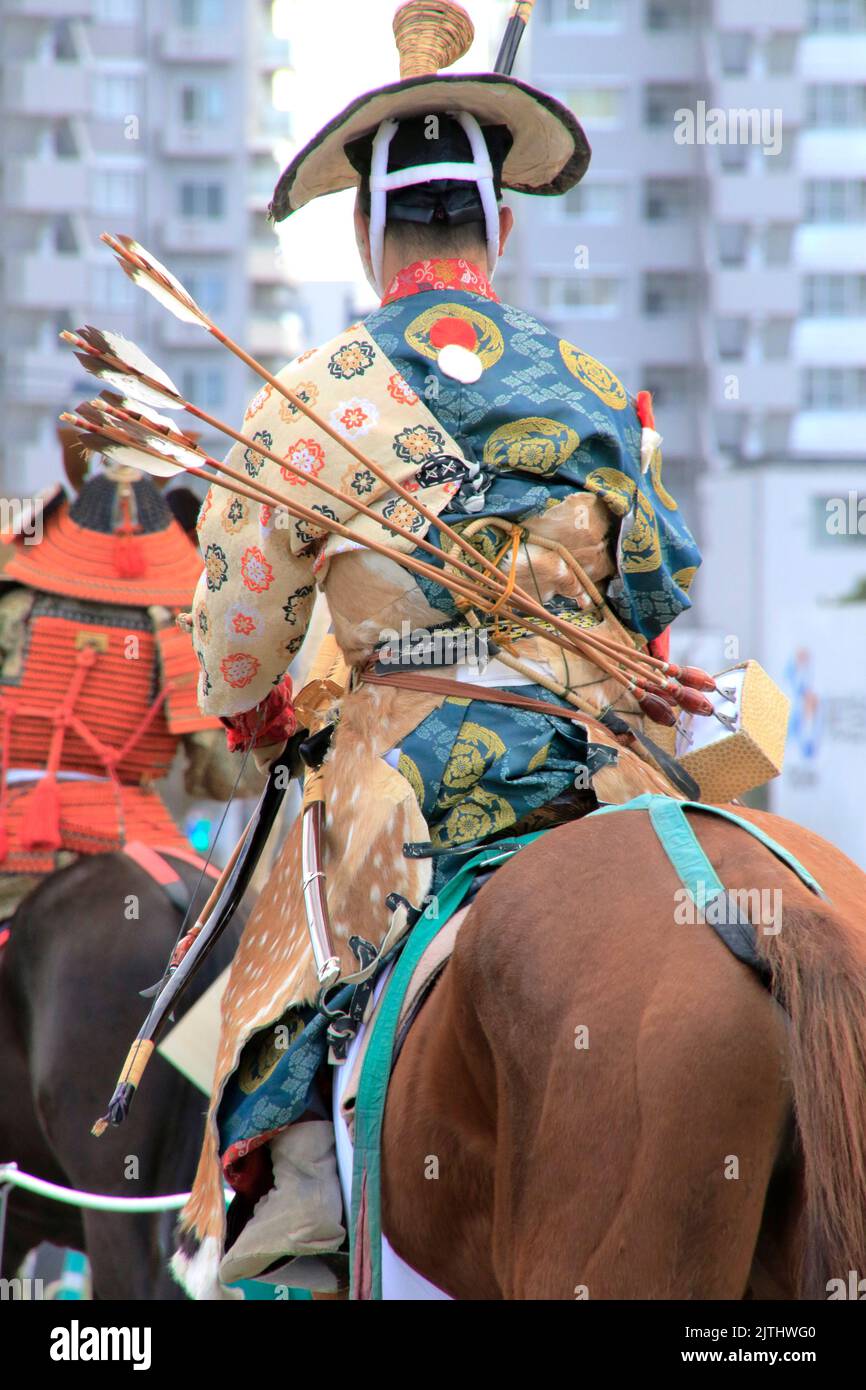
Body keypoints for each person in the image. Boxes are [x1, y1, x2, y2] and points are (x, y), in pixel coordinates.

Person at [176, 0, 702, 1298]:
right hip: (601, 784)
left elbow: (238, 665)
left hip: (393, 802)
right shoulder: (599, 392)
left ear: (366, 235)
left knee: (282, 1000)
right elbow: (658, 636)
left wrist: (260, 726)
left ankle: (296, 1219)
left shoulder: (305, 399)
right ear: (501, 228)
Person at [0, 437, 258, 924]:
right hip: (130, 834)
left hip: (11, 834)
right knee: (221, 934)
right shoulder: (175, 620)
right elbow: (222, 774)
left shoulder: (16, 599)